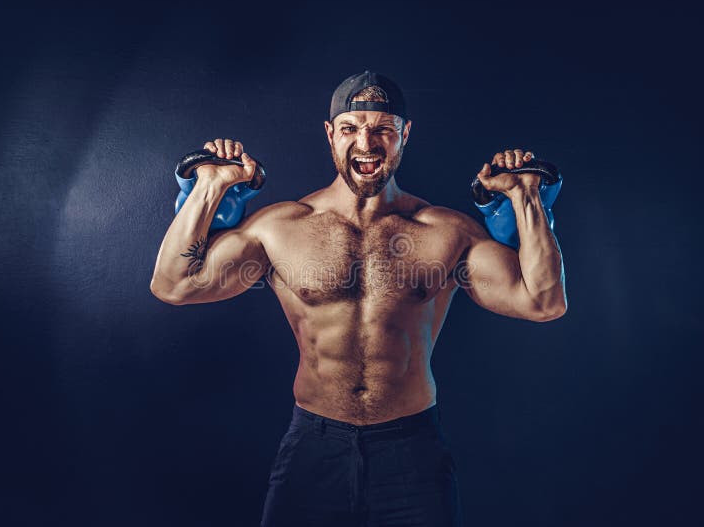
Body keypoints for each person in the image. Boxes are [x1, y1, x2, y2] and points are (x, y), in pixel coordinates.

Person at [150, 71, 567, 527]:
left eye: (382, 129)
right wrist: (211, 184)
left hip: (412, 452)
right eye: (350, 128)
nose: (365, 142)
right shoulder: (281, 227)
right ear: (330, 135)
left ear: (404, 135)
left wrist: (527, 197)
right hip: (313, 446)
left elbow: (541, 301)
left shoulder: (445, 231)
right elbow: (173, 283)